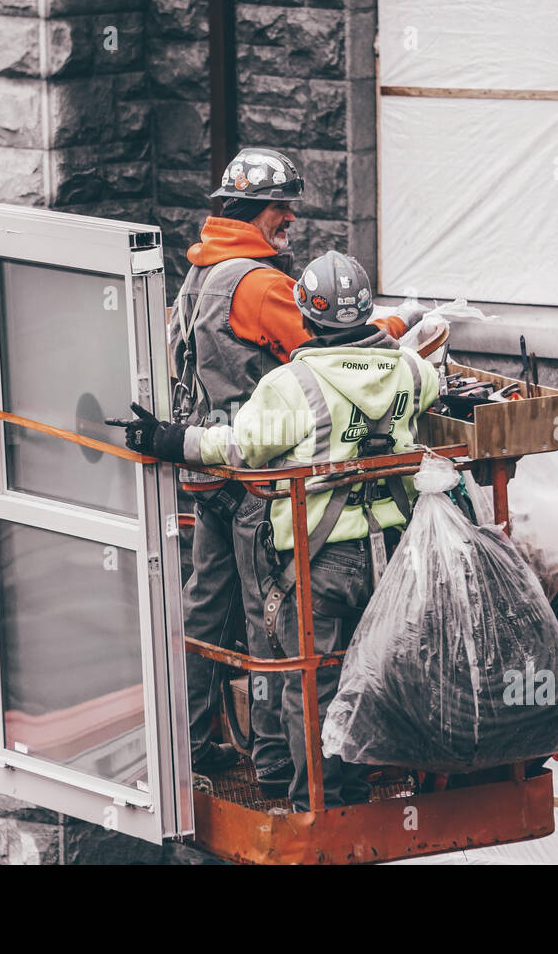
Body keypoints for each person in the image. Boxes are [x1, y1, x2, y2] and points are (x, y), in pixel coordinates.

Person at [113, 251, 437, 811]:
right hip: (391, 557)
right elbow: (427, 389)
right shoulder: (414, 371)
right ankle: (358, 786)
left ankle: (322, 801)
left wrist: (172, 441)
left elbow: (237, 446)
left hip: (318, 564)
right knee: (371, 673)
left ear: (306, 320)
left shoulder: (291, 385)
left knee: (310, 683)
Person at [167, 148, 407, 795]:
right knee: (272, 626)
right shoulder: (258, 284)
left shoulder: (201, 274)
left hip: (211, 475)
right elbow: (329, 346)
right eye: (284, 209)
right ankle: (277, 769)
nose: (292, 220)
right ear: (254, 211)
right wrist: (398, 325)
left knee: (205, 611)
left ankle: (186, 741)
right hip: (257, 477)